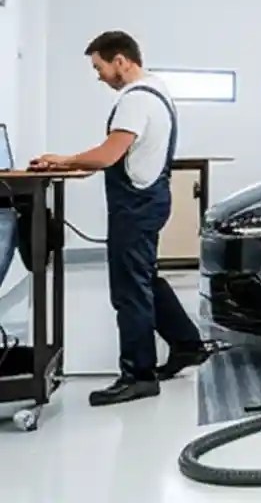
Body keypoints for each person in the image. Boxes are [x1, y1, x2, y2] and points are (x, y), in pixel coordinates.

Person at [30, 31, 222, 406]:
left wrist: (64, 159)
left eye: (99, 67)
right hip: (150, 198)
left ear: (121, 60)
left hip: (136, 205)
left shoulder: (134, 100)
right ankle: (187, 344)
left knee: (129, 289)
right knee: (144, 278)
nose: (98, 76)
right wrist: (77, 164)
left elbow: (107, 155)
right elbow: (116, 155)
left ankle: (138, 375)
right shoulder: (158, 89)